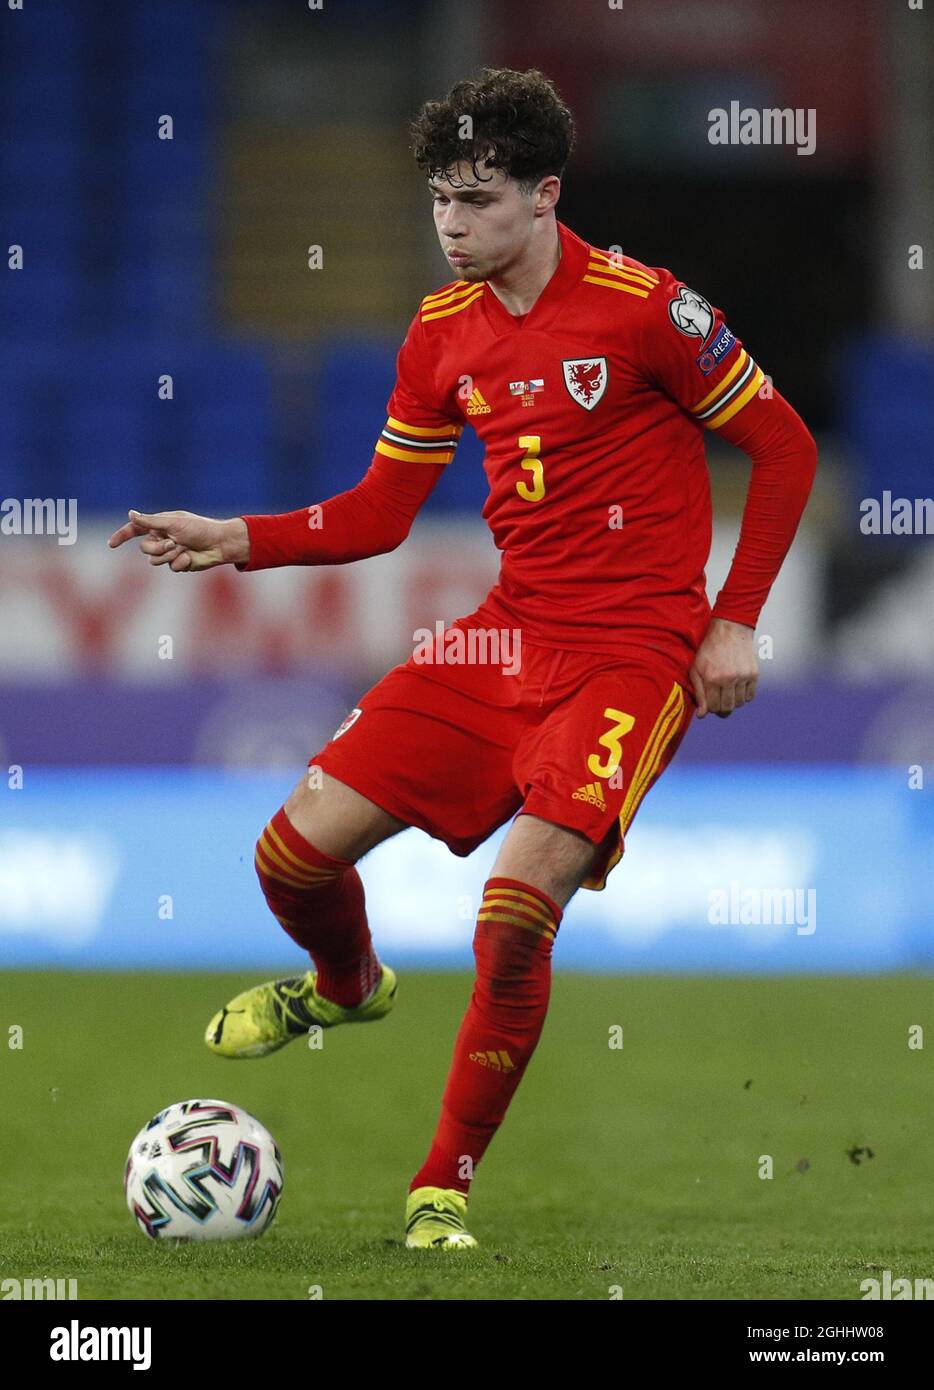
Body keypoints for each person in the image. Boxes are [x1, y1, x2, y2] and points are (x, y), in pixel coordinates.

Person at [109, 66, 817, 1250]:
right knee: (288, 857)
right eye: (440, 197)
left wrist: (735, 619)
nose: (451, 223)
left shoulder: (646, 308)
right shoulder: (440, 333)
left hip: (630, 657)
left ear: (544, 197)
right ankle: (344, 985)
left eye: (478, 200)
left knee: (510, 916)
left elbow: (785, 448)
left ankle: (441, 1184)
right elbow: (383, 511)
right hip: (503, 638)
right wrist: (242, 536)